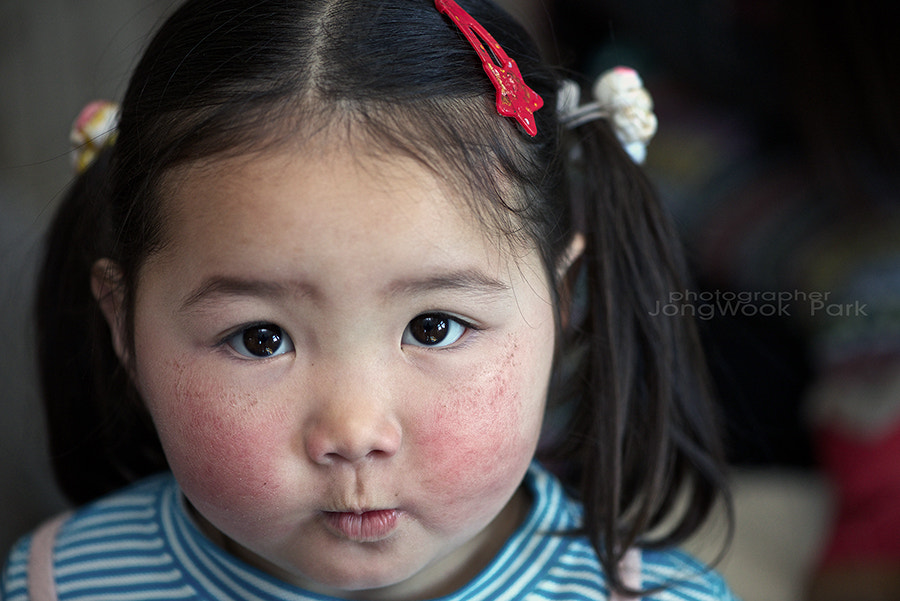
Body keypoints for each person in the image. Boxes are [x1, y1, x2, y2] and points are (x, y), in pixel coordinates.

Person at [1, 1, 739, 599]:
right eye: (260, 337)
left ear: (562, 299)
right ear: (124, 328)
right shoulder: (58, 582)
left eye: (435, 325)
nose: (353, 431)